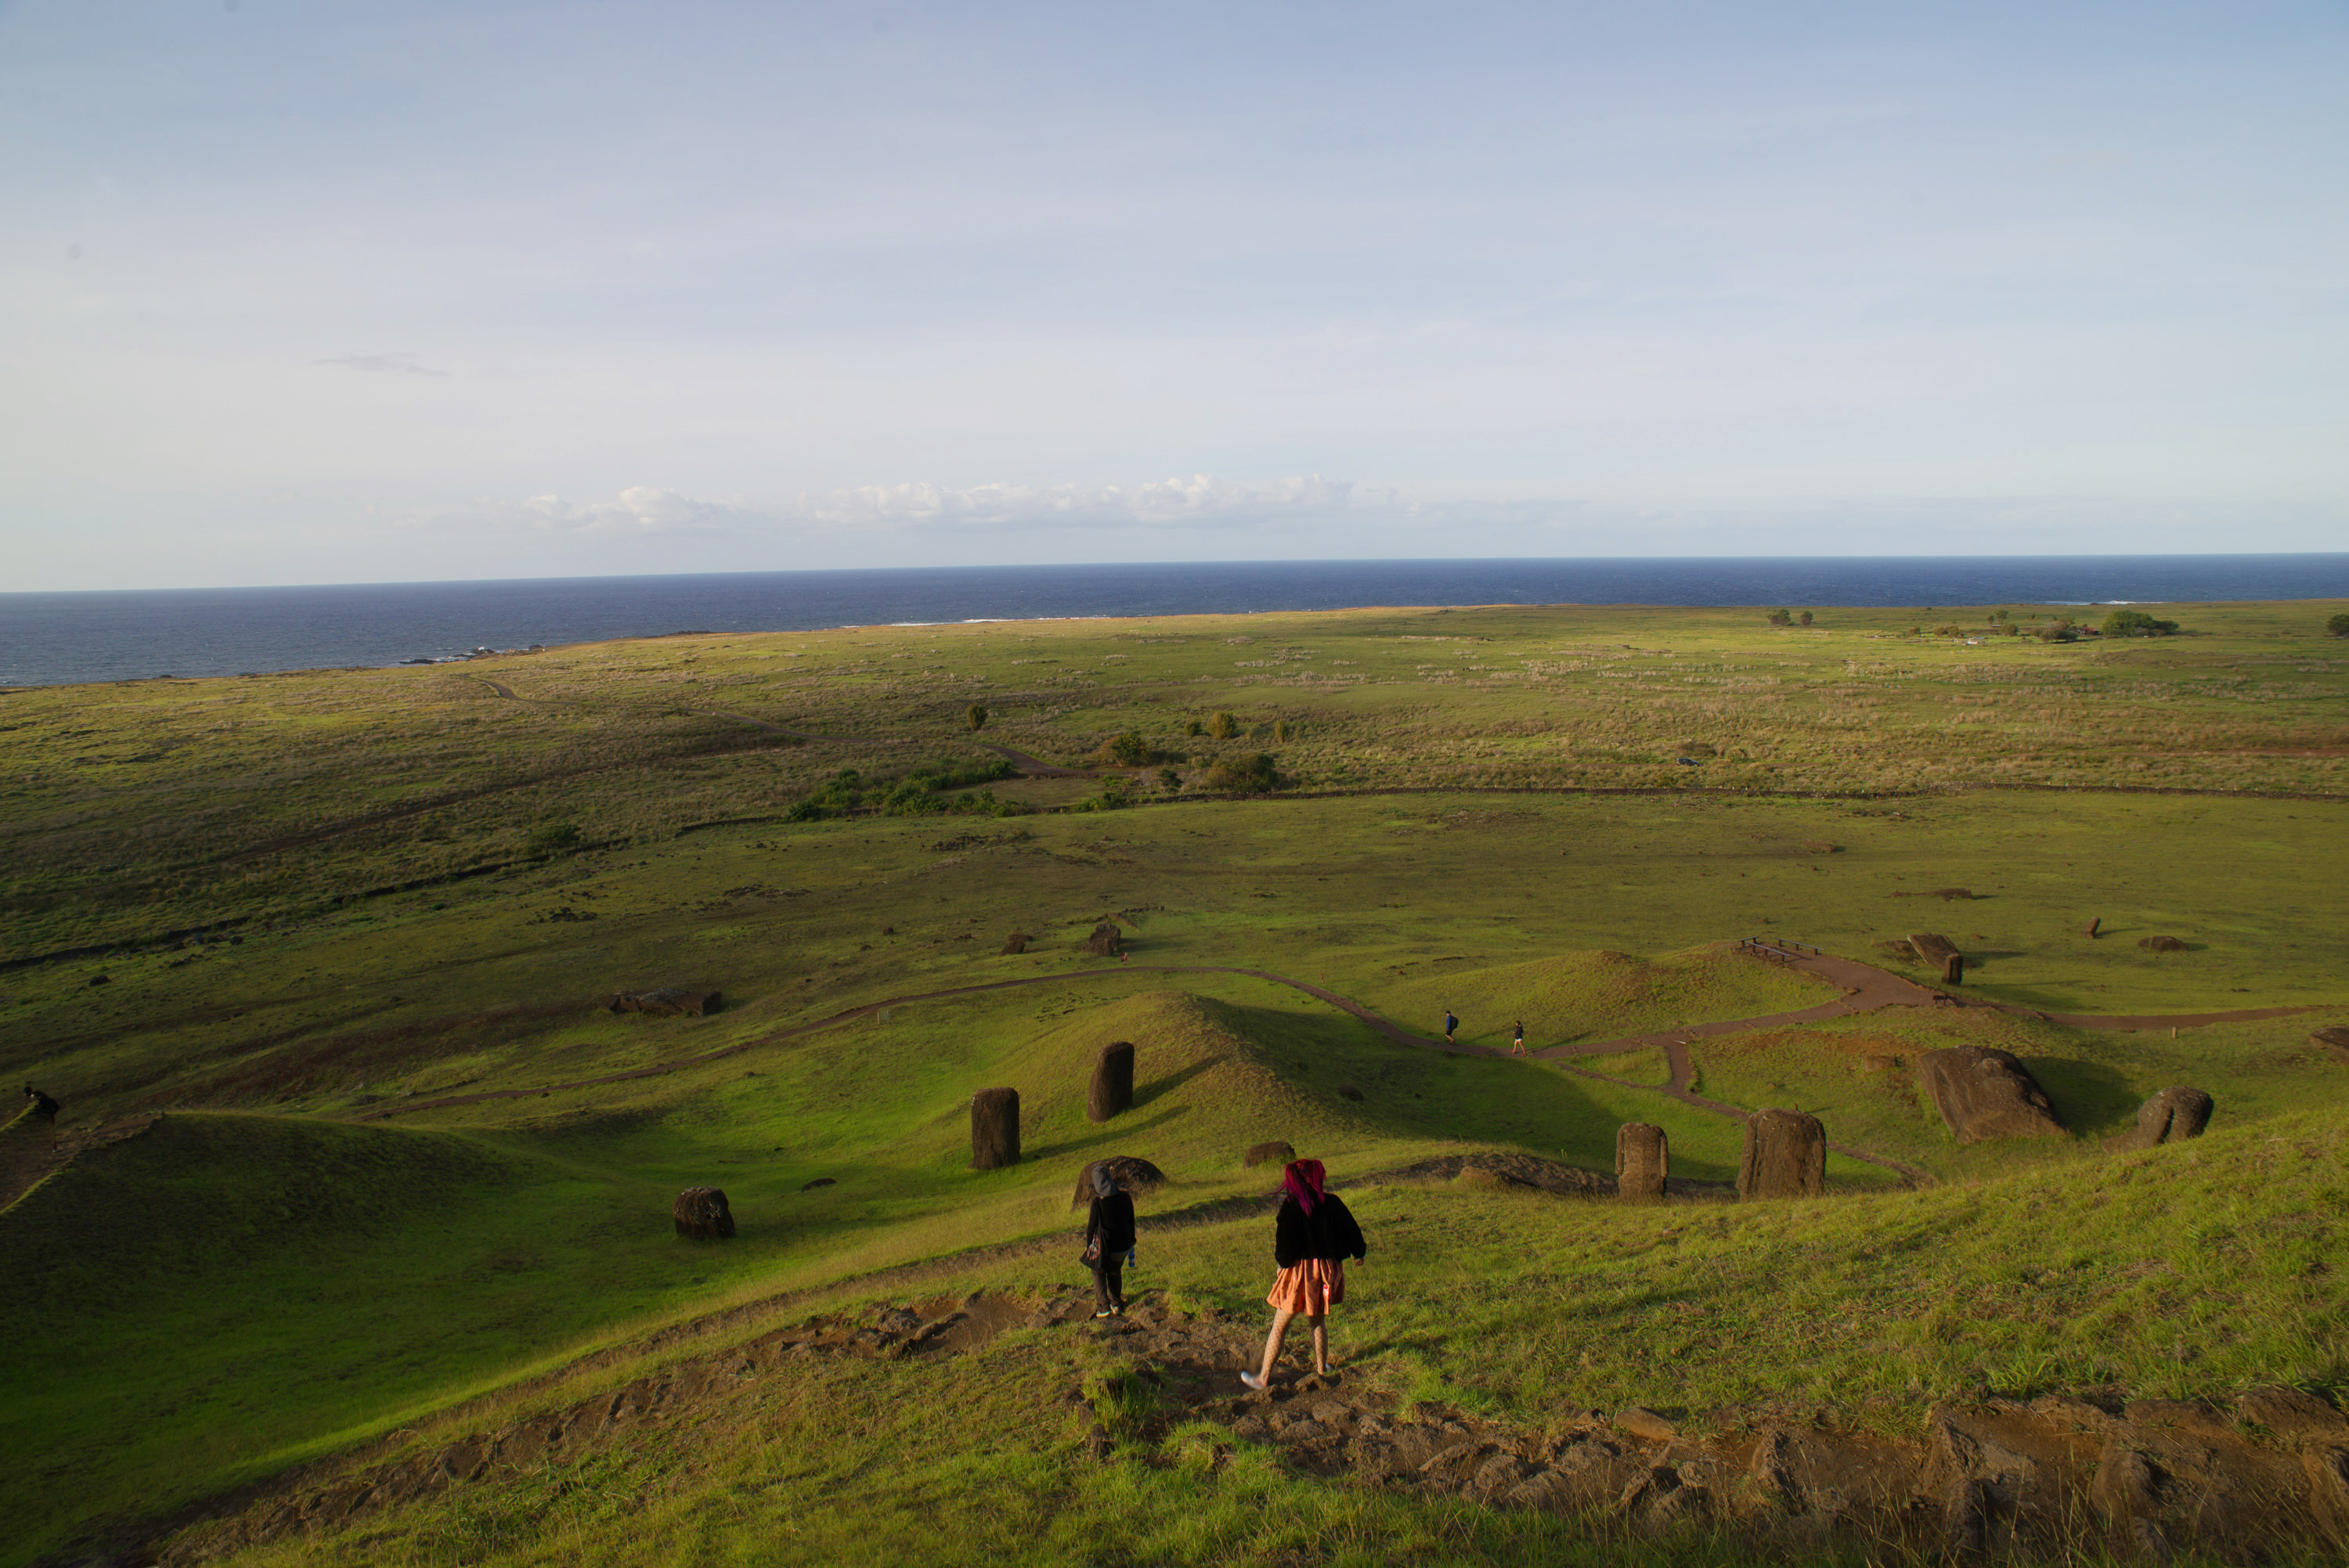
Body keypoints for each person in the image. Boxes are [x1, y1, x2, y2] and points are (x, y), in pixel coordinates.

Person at [1242, 1158, 1367, 1390]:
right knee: (1318, 1321)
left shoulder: (1291, 1206)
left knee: (1280, 1325)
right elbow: (1351, 1229)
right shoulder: (1332, 1203)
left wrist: (1282, 1264)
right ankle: (1321, 1369)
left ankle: (1262, 1378)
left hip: (1300, 1274)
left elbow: (1285, 1245)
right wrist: (1359, 1253)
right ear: (1317, 1177)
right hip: (1326, 1272)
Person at [1083, 1164, 1136, 1318]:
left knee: (1098, 1271)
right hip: (1124, 1246)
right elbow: (1131, 1221)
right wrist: (1132, 1241)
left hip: (1106, 1248)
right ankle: (1116, 1303)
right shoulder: (1126, 1197)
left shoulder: (1098, 1203)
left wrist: (1089, 1249)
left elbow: (1091, 1229)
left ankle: (1104, 1306)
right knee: (1115, 1271)